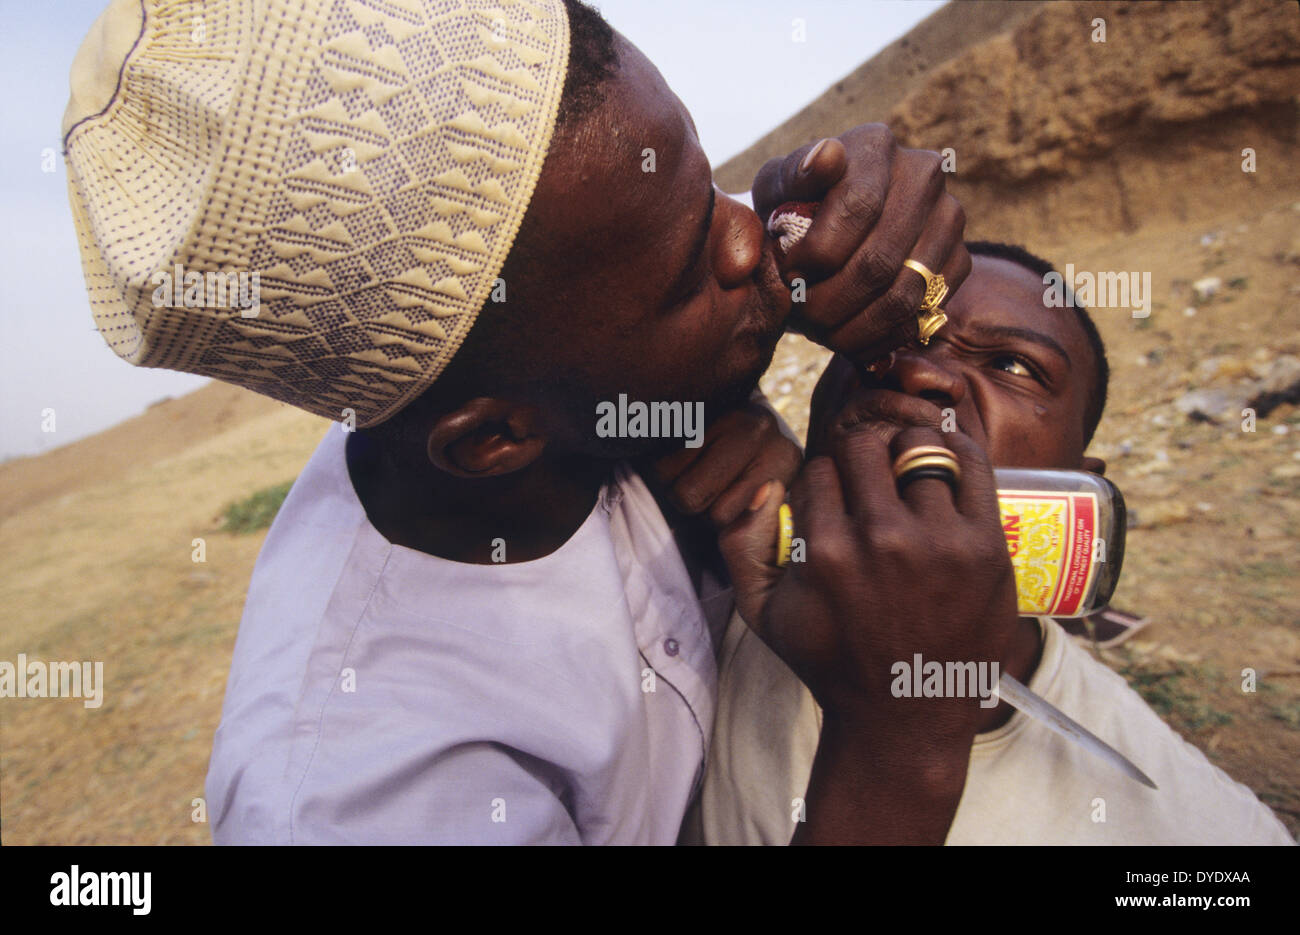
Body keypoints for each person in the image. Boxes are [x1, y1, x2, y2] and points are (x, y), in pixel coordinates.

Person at [66, 0, 1011, 844]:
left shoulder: (569, 393)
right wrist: (899, 741)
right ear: (492, 441)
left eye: (706, 178)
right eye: (690, 270)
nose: (745, 235)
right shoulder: (354, 797)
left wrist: (860, 249)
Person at [694, 242, 1297, 845]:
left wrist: (900, 734)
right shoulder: (701, 563)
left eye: (1012, 365)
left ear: (1077, 480)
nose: (918, 370)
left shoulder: (1209, 835)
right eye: (885, 341)